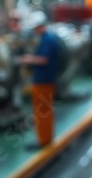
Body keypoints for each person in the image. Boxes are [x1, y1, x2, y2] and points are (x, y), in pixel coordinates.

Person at [19, 11, 61, 149]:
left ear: (39, 26)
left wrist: (28, 59)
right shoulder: (48, 38)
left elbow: (44, 59)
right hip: (45, 81)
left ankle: (44, 141)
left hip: (44, 82)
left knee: (42, 112)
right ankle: (46, 139)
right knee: (44, 111)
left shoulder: (47, 40)